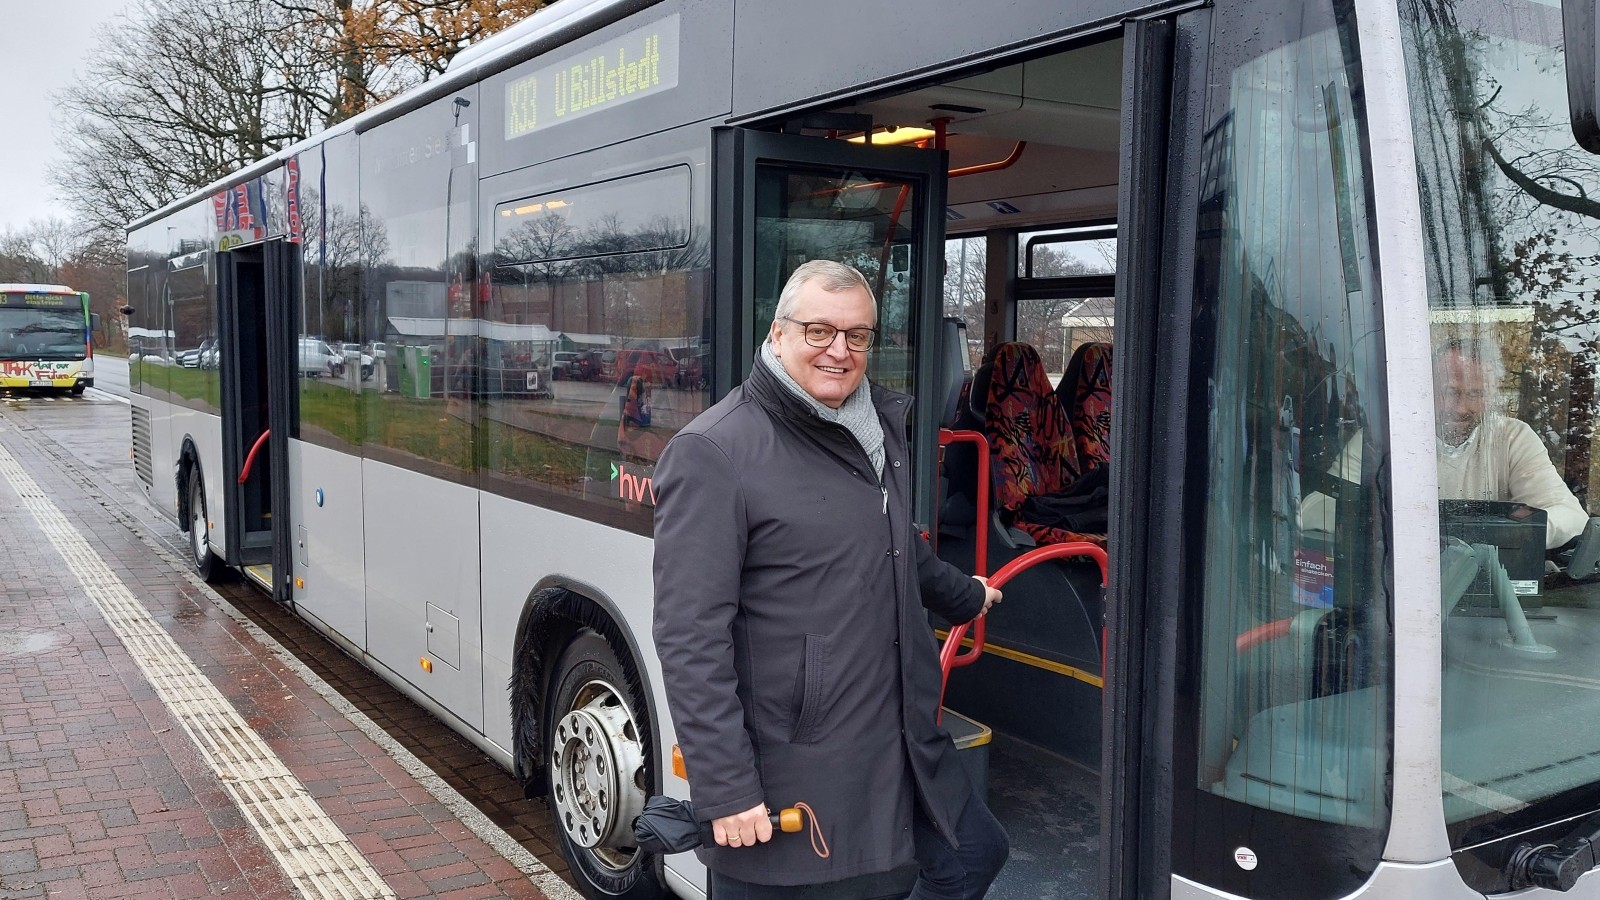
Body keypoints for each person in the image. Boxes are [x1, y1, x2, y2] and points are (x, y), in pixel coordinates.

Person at [652, 260, 1009, 899]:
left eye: (857, 335)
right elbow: (689, 637)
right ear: (778, 332)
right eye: (818, 331)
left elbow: (896, 547)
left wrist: (967, 596)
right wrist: (727, 789)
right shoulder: (714, 452)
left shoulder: (875, 428)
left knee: (976, 854)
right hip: (798, 766)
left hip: (899, 740)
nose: (839, 351)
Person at [1434, 338, 1588, 549]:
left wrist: (1511, 533)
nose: (1460, 408)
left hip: (1489, 567)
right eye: (1449, 392)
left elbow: (1570, 515)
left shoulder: (1511, 437)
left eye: (1475, 394)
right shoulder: (1397, 439)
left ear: (1492, 394)